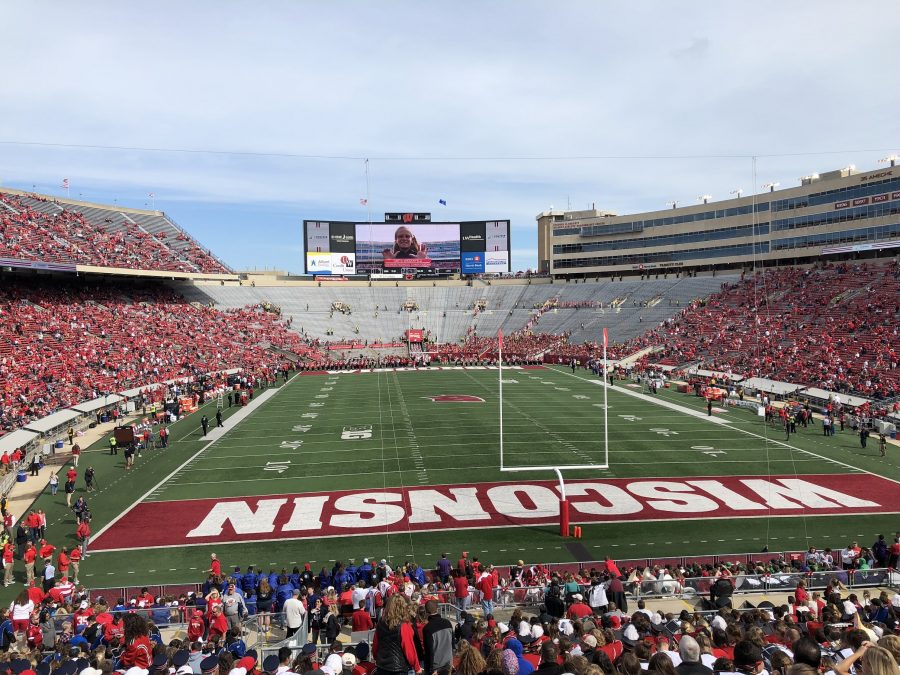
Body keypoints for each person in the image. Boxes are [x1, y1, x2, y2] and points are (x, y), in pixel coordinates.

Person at [372, 594, 420, 675]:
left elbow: (375, 645)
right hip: (398, 668)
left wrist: (377, 657)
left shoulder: (381, 622)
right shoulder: (404, 625)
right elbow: (409, 649)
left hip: (382, 666)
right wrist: (417, 667)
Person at [421, 599, 453, 675]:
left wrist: (431, 668)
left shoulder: (427, 628)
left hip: (436, 666)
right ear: (437, 609)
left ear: (426, 612)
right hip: (448, 662)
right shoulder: (447, 623)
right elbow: (452, 643)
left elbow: (429, 650)